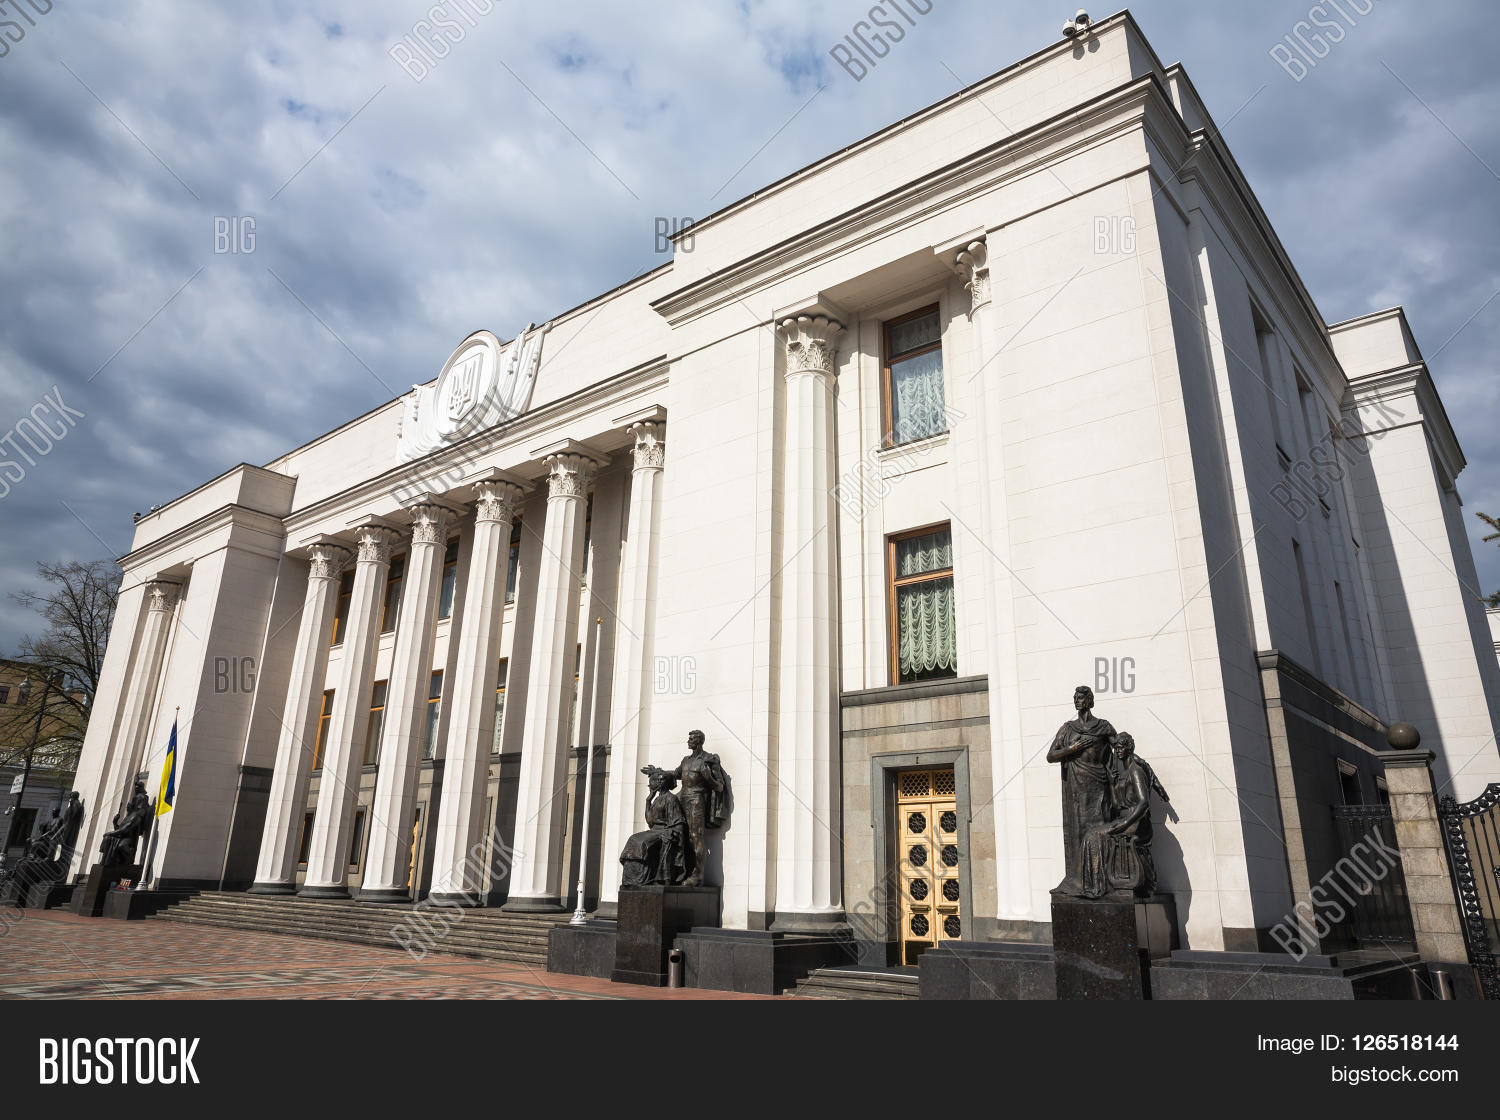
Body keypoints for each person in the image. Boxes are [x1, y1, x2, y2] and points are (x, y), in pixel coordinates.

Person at [1045, 686, 1117, 897]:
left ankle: (1102, 879)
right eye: (1075, 698)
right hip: (1076, 788)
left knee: (1100, 831)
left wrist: (1139, 767)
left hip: (1099, 785)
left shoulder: (1103, 726)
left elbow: (1120, 747)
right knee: (1078, 832)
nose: (1077, 701)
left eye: (1081, 698)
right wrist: (1072, 749)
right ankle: (1078, 880)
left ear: (1090, 701)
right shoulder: (1068, 729)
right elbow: (1051, 755)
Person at [1104, 733, 1169, 895]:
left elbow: (1143, 803)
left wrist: (1125, 824)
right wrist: (1112, 785)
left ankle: (1125, 882)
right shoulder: (1123, 775)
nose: (1118, 750)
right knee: (1092, 836)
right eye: (1116, 747)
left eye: (1122, 747)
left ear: (1129, 748)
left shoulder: (1135, 771)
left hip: (1137, 822)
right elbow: (1118, 806)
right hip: (1125, 819)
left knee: (1095, 836)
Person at [671, 730, 726, 887]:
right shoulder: (686, 760)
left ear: (700, 741)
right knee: (682, 836)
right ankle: (683, 870)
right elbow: (674, 775)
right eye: (689, 739)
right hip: (682, 800)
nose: (689, 741)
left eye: (692, 739)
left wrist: (708, 777)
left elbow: (720, 787)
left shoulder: (708, 760)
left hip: (697, 801)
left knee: (696, 837)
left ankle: (698, 875)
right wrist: (658, 773)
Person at [619, 766, 688, 886]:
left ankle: (644, 877)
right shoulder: (657, 799)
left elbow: (678, 822)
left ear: (667, 783)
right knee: (633, 838)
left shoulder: (671, 799)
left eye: (663, 780)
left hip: (664, 831)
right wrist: (648, 801)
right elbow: (650, 821)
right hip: (654, 830)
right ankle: (633, 878)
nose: (660, 782)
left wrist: (672, 833)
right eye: (659, 780)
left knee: (643, 843)